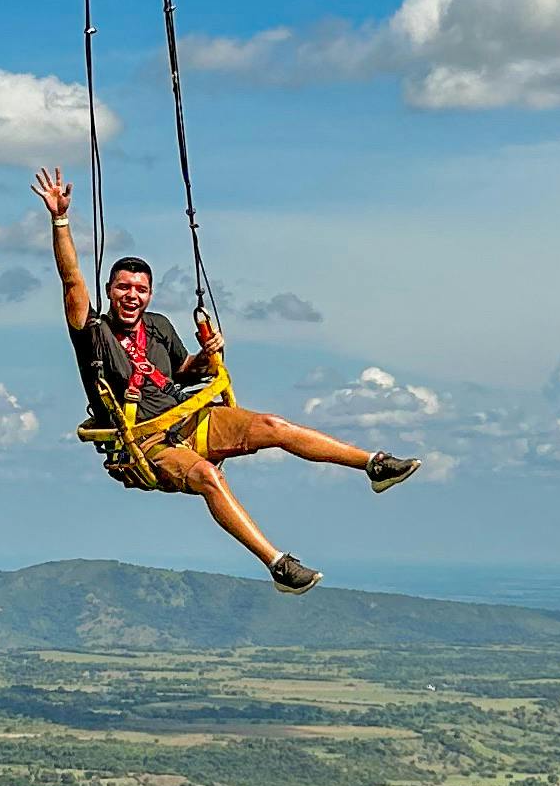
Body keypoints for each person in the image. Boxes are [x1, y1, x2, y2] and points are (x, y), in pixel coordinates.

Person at [34, 165, 416, 590]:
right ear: (109, 290)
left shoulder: (158, 325)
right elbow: (71, 279)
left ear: (150, 294)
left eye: (140, 290)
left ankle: (373, 465)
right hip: (145, 441)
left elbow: (181, 372)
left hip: (188, 418)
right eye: (123, 288)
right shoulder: (93, 334)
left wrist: (207, 354)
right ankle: (278, 565)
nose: (132, 296)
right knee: (208, 478)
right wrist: (60, 220)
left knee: (275, 426)